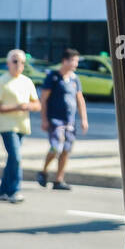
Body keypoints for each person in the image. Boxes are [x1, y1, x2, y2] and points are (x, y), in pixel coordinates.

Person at [0, 48, 40, 203]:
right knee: (16, 157)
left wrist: (29, 106)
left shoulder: (27, 81)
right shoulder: (1, 81)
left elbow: (37, 104)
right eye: (15, 61)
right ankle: (15, 190)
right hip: (7, 126)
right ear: (8, 63)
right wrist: (16, 107)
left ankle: (3, 191)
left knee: (12, 159)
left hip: (22, 125)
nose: (19, 65)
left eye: (22, 62)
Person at [37, 49, 88, 190]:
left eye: (76, 61)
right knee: (56, 147)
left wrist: (84, 119)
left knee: (66, 149)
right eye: (74, 61)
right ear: (65, 61)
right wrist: (44, 119)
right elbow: (43, 100)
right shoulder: (53, 77)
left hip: (69, 121)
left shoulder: (74, 79)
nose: (76, 64)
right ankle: (43, 171)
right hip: (55, 120)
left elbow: (80, 99)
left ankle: (59, 180)